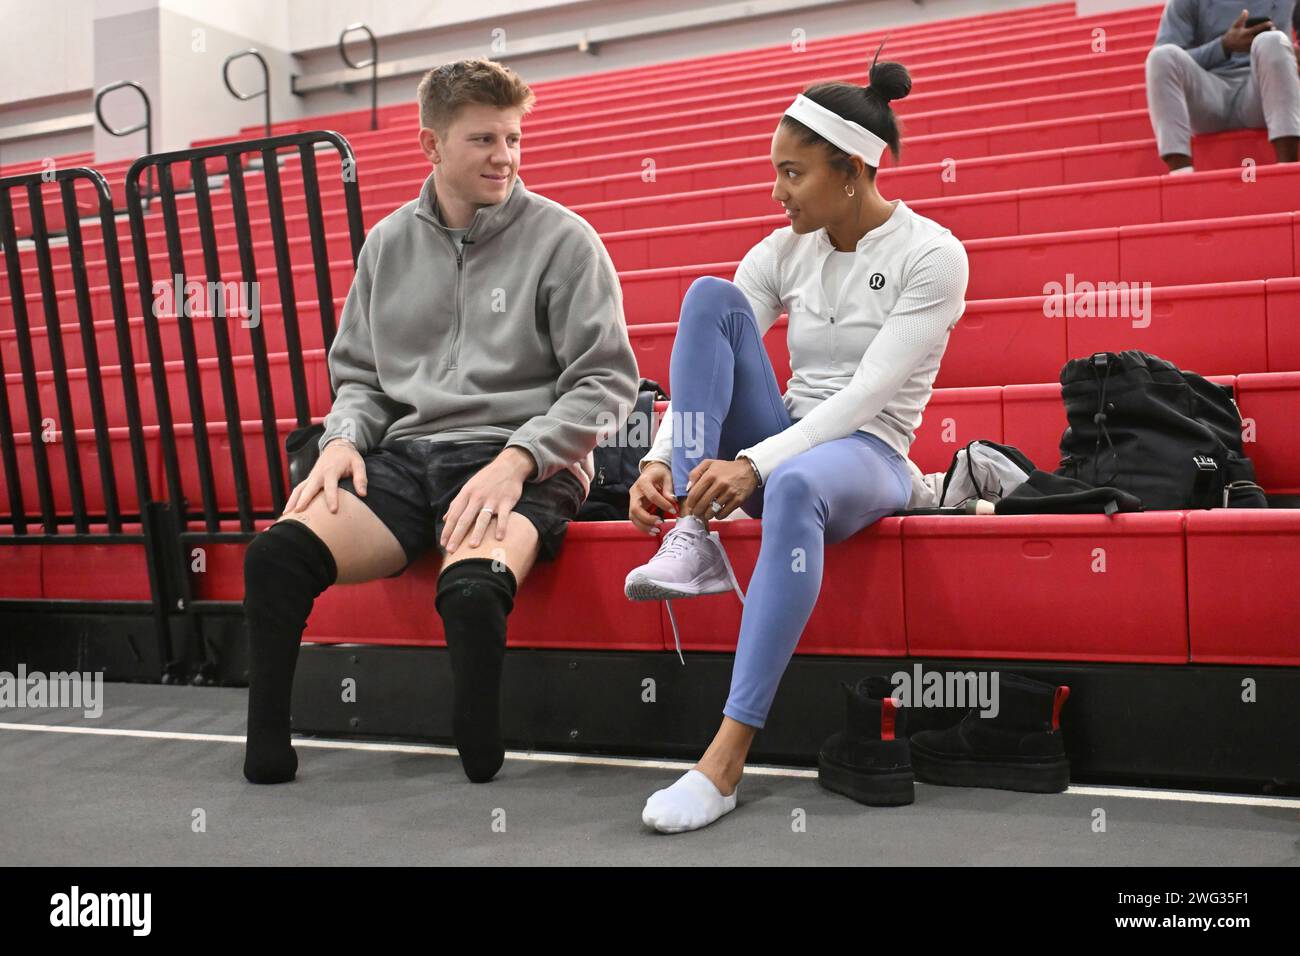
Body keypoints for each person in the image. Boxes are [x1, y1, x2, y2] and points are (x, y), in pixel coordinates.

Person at [241, 58, 639, 786]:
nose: (506, 157)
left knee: (472, 587)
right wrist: (338, 442)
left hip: (522, 454)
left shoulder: (565, 239)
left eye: (514, 138)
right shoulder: (389, 244)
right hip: (405, 455)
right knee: (275, 554)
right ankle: (266, 744)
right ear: (431, 146)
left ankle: (477, 740)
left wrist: (519, 459)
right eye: (484, 139)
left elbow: (606, 382)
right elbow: (360, 378)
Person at [623, 48, 970, 833]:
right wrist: (658, 460)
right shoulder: (784, 250)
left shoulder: (933, 255)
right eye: (776, 172)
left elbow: (864, 398)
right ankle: (688, 529)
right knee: (709, 297)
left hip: (869, 452)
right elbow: (709, 356)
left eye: (792, 174)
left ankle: (725, 761)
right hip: (787, 432)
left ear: (851, 171)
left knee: (798, 484)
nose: (776, 192)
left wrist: (753, 464)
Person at [1145, 1, 1300, 171]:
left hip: (1263, 93)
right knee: (1160, 56)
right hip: (1210, 97)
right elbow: (1169, 58)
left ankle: (1288, 169)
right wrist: (1223, 46)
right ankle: (1181, 176)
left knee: (1273, 40)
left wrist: (1290, 56)